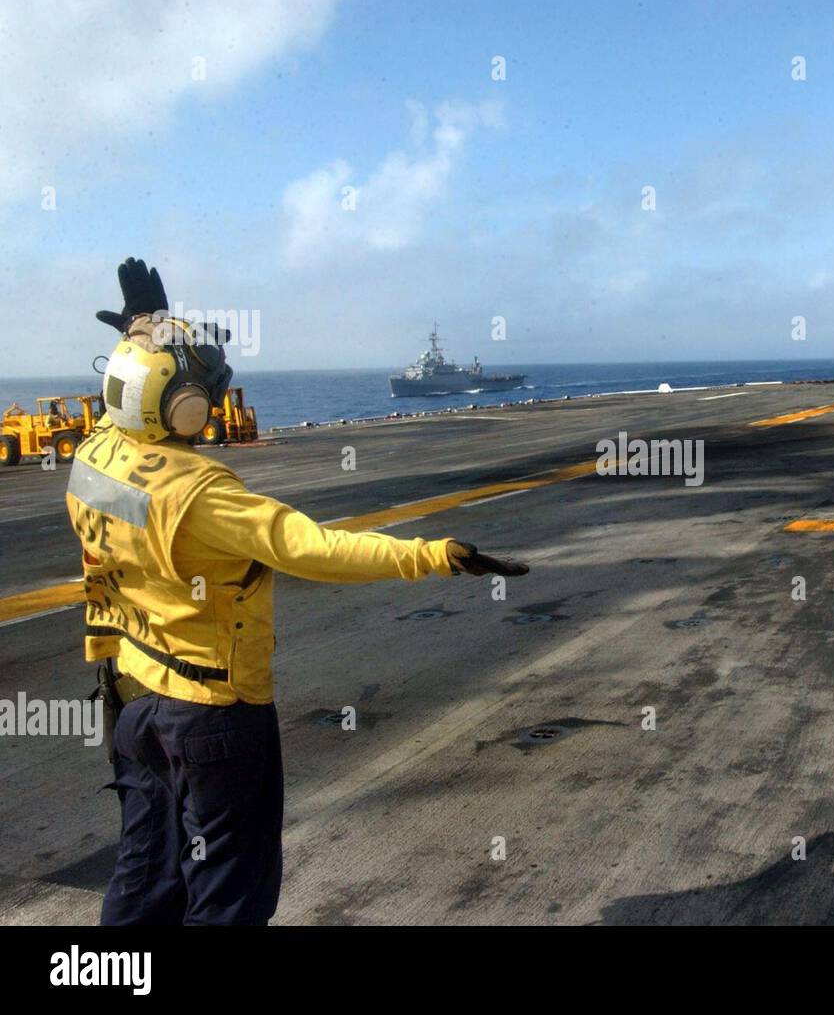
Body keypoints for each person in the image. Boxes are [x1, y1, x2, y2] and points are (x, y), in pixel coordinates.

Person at [67, 258, 528, 926]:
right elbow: (317, 550)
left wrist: (146, 323)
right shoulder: (200, 495)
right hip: (210, 713)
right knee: (228, 892)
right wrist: (434, 555)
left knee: (143, 877)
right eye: (199, 388)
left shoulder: (94, 452)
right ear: (180, 405)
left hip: (134, 701)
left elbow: (133, 390)